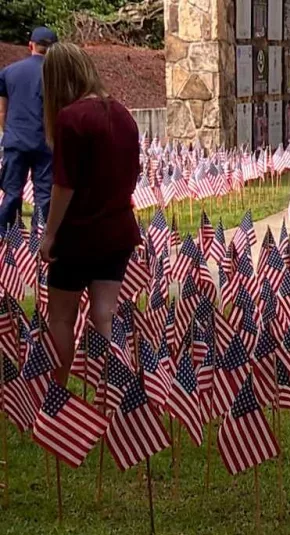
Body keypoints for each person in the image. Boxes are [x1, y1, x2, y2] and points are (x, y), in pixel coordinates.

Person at [39, 42, 141, 386]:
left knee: (61, 318)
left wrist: (50, 234)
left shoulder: (71, 118)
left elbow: (63, 185)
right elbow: (134, 173)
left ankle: (57, 391)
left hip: (78, 235)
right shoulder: (123, 114)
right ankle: (115, 391)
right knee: (104, 315)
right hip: (118, 230)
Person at [0, 27, 58, 230]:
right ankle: (39, 236)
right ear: (54, 48)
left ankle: (6, 236)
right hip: (46, 142)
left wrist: (8, 132)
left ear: (30, 45)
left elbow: (2, 110)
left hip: (16, 141)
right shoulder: (57, 75)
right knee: (44, 195)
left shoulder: (8, 72)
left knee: (11, 193)